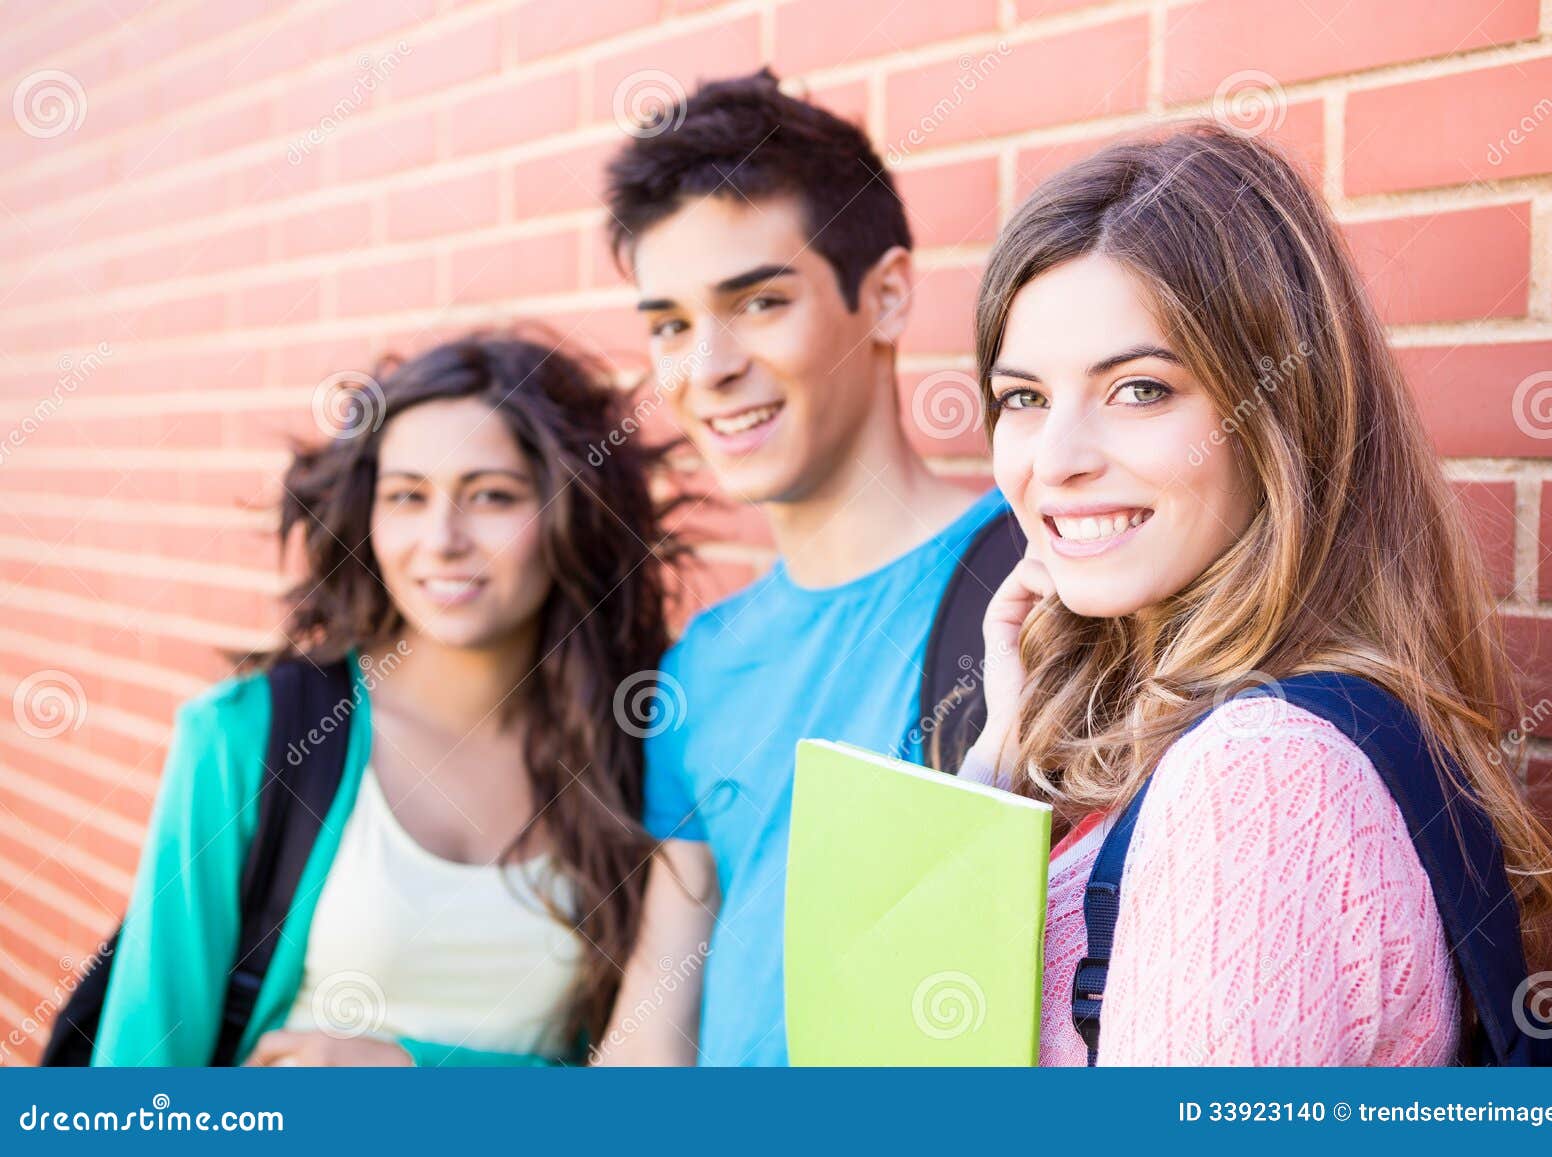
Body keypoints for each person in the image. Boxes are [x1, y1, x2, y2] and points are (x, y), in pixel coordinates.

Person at [961, 123, 1552, 1065]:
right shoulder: (1254, 736)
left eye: (1140, 390)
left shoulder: (1259, 781)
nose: (1058, 462)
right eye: (1025, 398)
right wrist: (1000, 755)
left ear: (1277, 415)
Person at [92, 332, 676, 1066]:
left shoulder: (634, 751)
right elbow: (140, 1069)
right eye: (407, 496)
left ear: (570, 512)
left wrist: (412, 1071)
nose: (442, 538)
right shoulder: (249, 736)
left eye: (490, 495)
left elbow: (635, 1102)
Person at [593, 69, 1016, 1066]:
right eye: (670, 326)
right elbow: (658, 1016)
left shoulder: (1037, 588)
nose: (709, 367)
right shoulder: (703, 662)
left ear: (887, 296)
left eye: (760, 300)